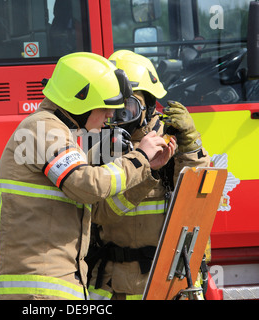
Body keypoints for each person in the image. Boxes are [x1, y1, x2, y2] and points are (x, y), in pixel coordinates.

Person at [0, 52, 176, 300]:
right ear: (81, 101)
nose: (111, 117)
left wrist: (148, 169)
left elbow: (98, 209)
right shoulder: (42, 129)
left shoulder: (60, 135)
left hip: (54, 286)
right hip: (38, 292)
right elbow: (89, 185)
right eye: (105, 108)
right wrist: (140, 157)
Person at [87, 50, 211, 300]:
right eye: (114, 105)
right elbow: (100, 214)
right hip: (113, 284)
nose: (120, 116)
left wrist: (192, 146)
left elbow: (200, 204)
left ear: (151, 104)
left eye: (129, 106)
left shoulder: (173, 139)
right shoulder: (97, 146)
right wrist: (145, 169)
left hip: (169, 282)